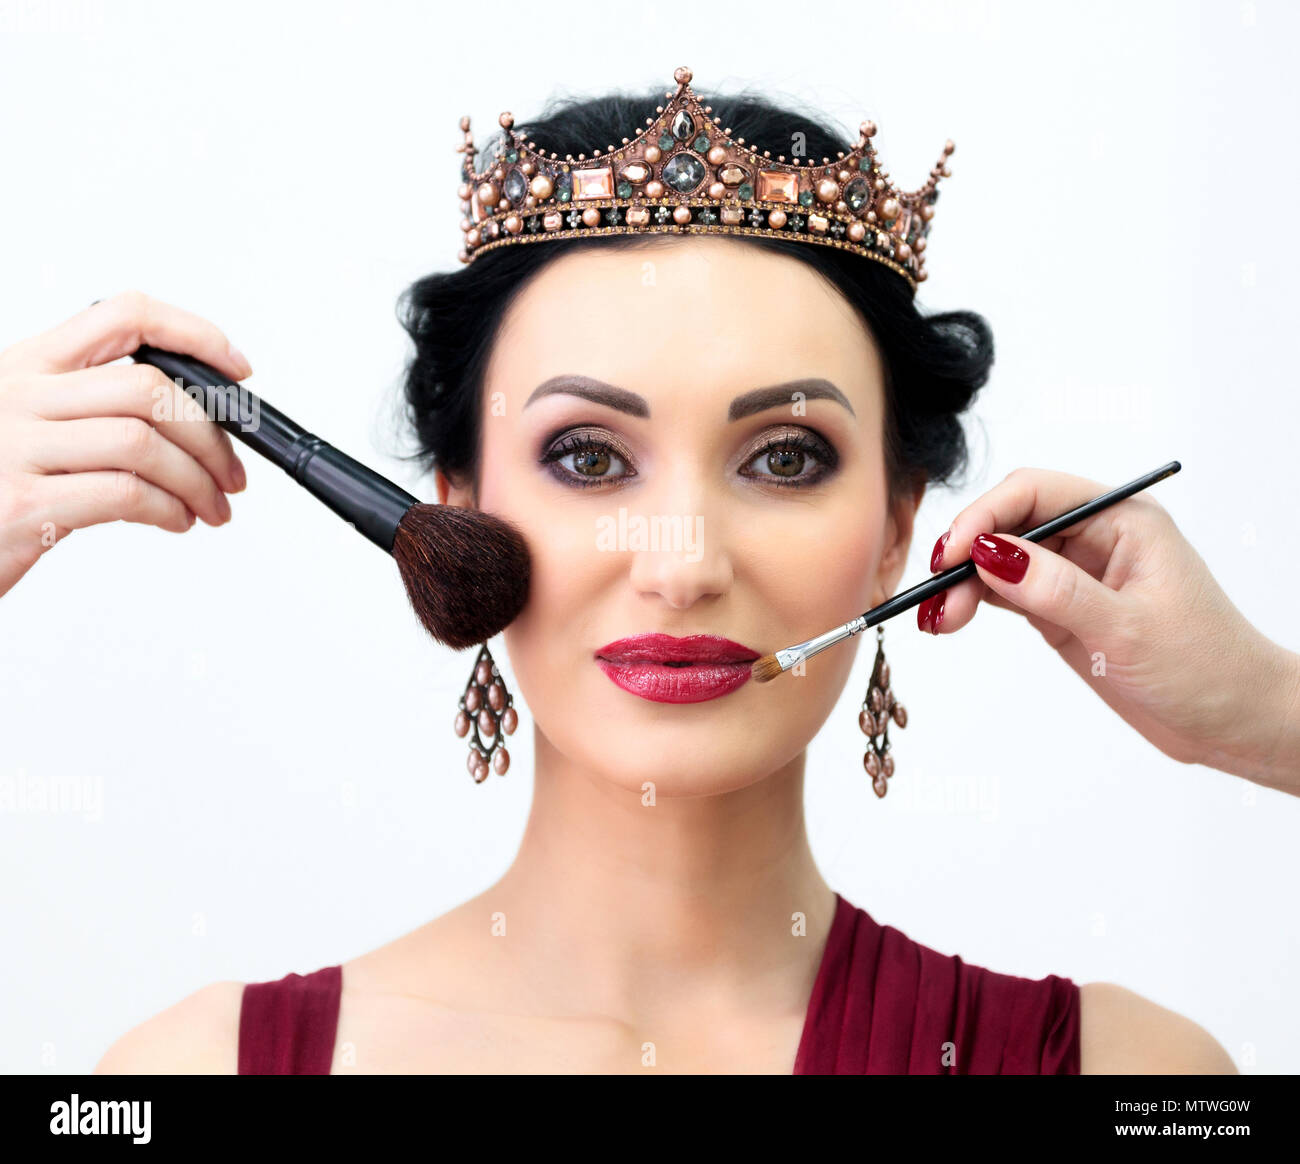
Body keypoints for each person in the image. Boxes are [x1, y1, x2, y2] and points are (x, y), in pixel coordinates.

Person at [4, 71, 1294, 1074]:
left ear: (901, 524)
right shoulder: (190, 1074)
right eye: (586, 456)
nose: (678, 567)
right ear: (450, 509)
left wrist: (1274, 723)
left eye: (785, 458)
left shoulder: (1132, 1077)